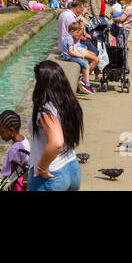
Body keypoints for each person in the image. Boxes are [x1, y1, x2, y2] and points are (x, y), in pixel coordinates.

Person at [27, 60, 83, 191]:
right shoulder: (67, 103)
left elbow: (57, 142)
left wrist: (41, 167)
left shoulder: (45, 110)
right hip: (72, 167)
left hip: (51, 176)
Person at [62, 21, 98, 95]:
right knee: (87, 66)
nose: (78, 34)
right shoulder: (70, 39)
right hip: (70, 57)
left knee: (85, 63)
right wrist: (80, 56)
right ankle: (87, 84)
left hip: (67, 56)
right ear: (72, 31)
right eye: (77, 32)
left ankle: (84, 81)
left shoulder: (66, 37)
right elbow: (71, 52)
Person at [0, 109, 30, 181]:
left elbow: (13, 172)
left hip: (7, 180)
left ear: (11, 130)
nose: (0, 135)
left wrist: (3, 182)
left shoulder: (14, 150)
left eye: (2, 132)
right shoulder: (24, 139)